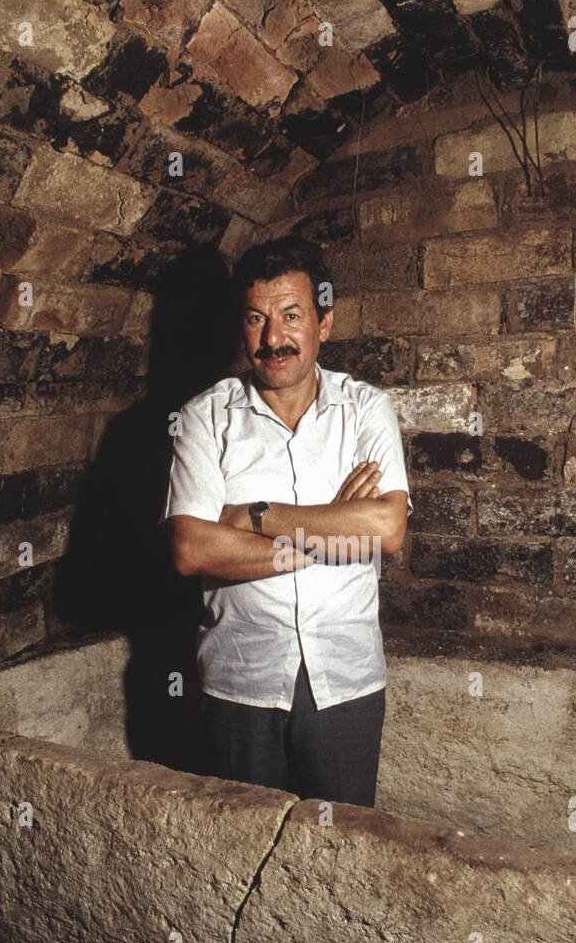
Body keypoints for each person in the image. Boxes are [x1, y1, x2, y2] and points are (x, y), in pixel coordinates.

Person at [163, 236, 413, 807]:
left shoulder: (367, 409)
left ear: (324, 323)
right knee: (238, 853)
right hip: (239, 681)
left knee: (342, 856)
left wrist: (257, 517)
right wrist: (332, 533)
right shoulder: (204, 417)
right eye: (257, 319)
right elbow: (189, 551)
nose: (274, 339)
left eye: (292, 316)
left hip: (345, 684)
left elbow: (387, 530)